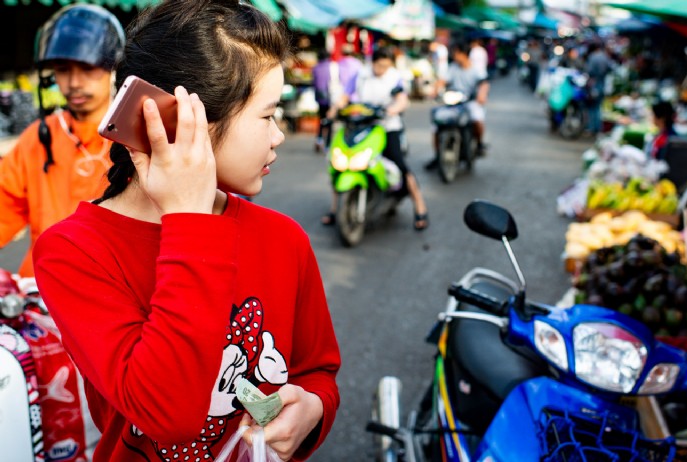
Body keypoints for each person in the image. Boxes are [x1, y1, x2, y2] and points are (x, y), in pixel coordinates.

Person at [32, 1, 341, 461]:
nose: (278, 136)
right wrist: (192, 222)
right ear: (180, 121)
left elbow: (317, 370)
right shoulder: (73, 252)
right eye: (266, 115)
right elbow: (168, 415)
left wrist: (314, 407)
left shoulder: (284, 238)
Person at [0, 4, 124, 277]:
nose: (74, 82)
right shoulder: (36, 138)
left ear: (114, 68)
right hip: (40, 292)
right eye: (63, 69)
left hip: (112, 294)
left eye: (87, 68)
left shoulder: (135, 138)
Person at [322, 47, 429, 230]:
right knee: (338, 163)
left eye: (386, 66)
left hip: (386, 127)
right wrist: (334, 110)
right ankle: (334, 209)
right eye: (380, 66)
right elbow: (345, 96)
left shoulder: (394, 77)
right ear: (373, 62)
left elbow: (401, 99)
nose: (382, 70)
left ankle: (420, 206)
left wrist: (392, 109)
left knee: (401, 165)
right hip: (360, 125)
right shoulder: (361, 74)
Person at [426, 41, 490, 170]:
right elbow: (443, 80)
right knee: (437, 124)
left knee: (477, 118)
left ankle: (479, 143)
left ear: (463, 54)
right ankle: (438, 155)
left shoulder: (475, 69)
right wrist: (434, 90)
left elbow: (484, 84)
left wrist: (481, 95)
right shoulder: (453, 67)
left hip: (470, 101)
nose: (454, 55)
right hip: (453, 101)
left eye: (456, 52)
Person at [583, 42, 613, 137]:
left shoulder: (593, 57)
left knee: (592, 108)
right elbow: (610, 68)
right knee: (598, 108)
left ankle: (592, 129)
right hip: (602, 85)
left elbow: (589, 71)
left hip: (594, 85)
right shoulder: (605, 57)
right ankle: (598, 128)